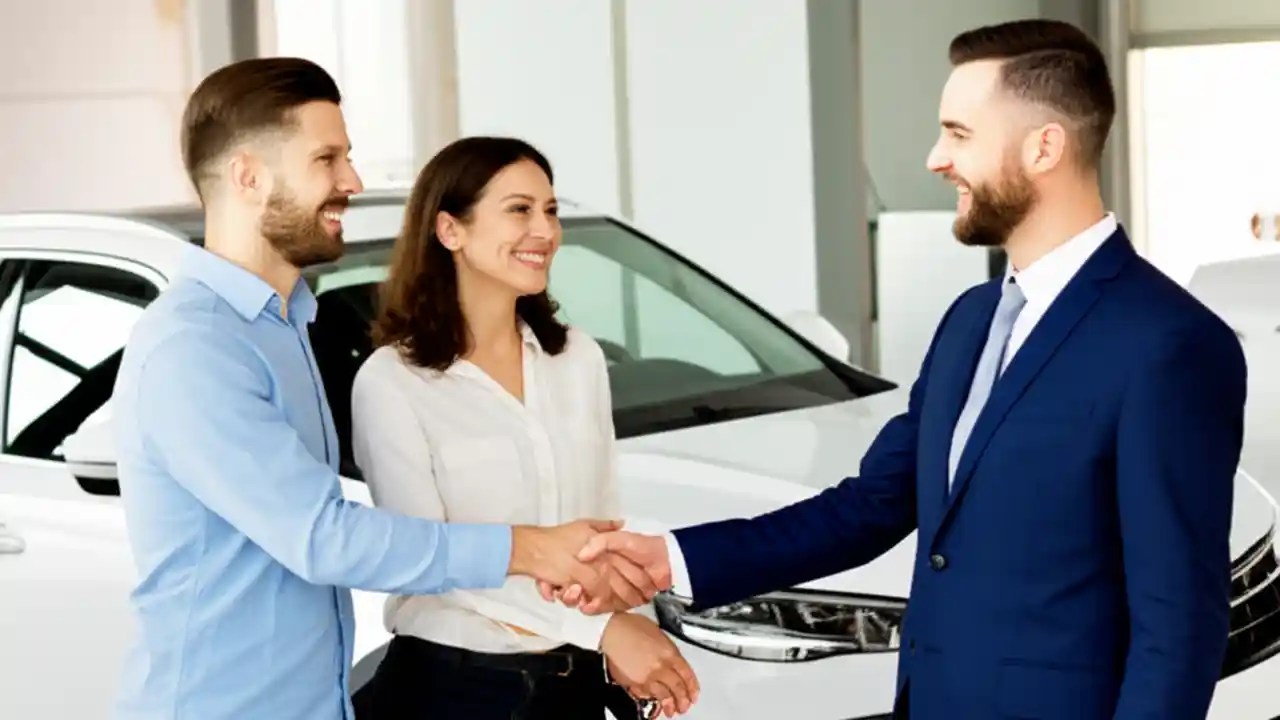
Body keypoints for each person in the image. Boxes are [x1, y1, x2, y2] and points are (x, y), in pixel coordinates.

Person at [555, 19, 1248, 720]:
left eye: (959, 133)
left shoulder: (1171, 345)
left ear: (1045, 147)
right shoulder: (971, 321)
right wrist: (669, 557)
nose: (935, 158)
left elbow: (1180, 624)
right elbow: (869, 507)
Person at [112, 58, 623, 720]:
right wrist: (531, 548)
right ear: (247, 176)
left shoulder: (285, 326)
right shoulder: (195, 348)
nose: (351, 180)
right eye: (327, 159)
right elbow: (323, 538)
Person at [347, 136, 698, 719]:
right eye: (519, 210)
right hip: (455, 690)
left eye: (551, 211)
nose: (546, 230)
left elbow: (601, 527)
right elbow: (430, 561)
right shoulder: (394, 382)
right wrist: (607, 631)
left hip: (574, 684)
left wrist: (623, 614)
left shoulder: (577, 360)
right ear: (449, 230)